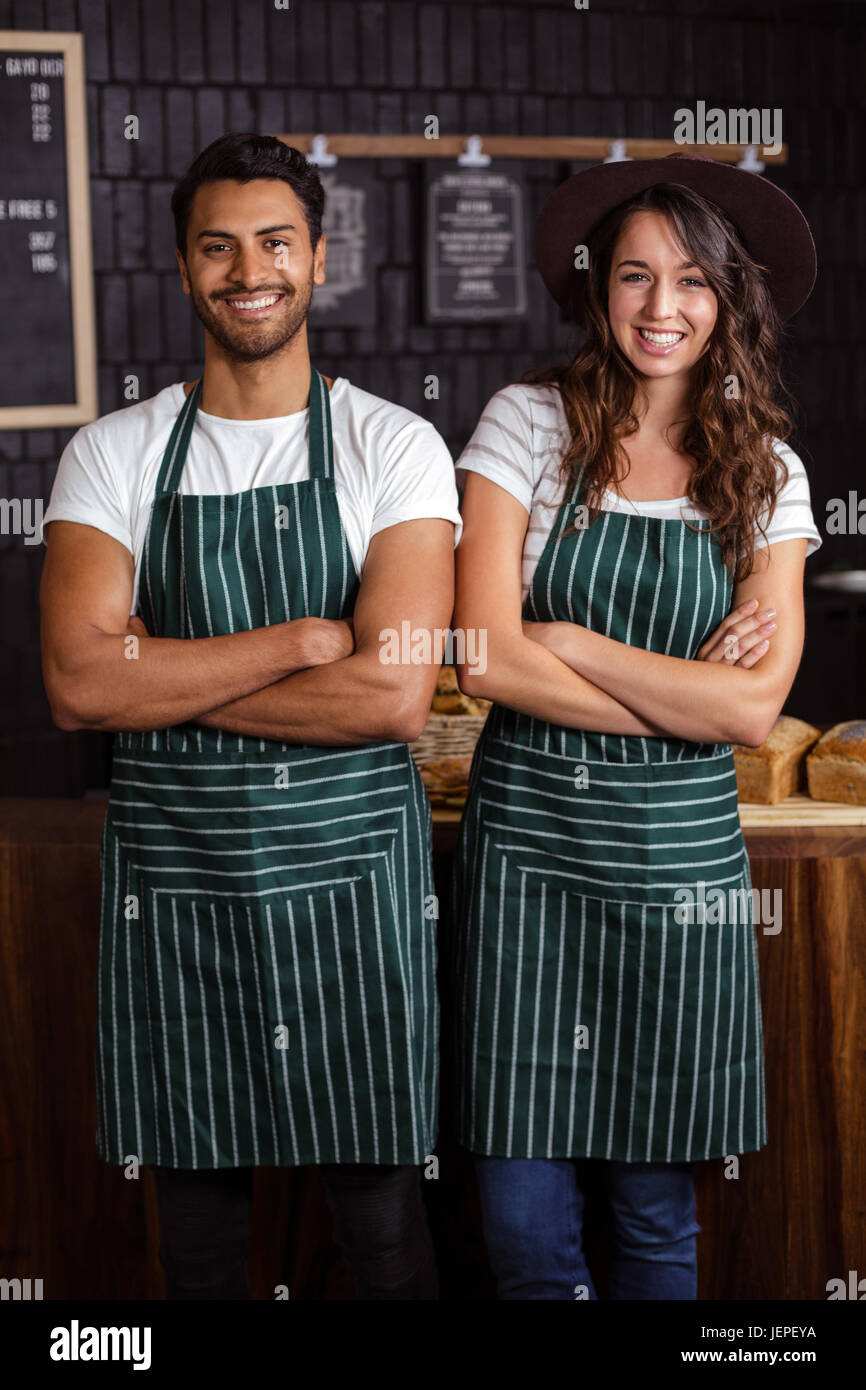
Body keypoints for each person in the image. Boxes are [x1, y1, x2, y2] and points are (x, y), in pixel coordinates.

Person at [39, 132, 462, 1300]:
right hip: (178, 899)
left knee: (382, 1232)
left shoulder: (395, 445)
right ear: (182, 269)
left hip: (352, 905)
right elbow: (79, 684)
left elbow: (391, 693)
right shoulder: (110, 453)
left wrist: (164, 682)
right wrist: (298, 641)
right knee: (202, 1240)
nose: (247, 271)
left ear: (316, 258)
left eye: (274, 242)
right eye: (216, 248)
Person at [450, 153, 822, 1300]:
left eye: (691, 281)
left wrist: (565, 643)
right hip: (528, 869)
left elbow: (752, 709)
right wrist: (671, 693)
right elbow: (479, 657)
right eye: (632, 276)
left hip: (676, 876)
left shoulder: (766, 475)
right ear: (594, 289)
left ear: (729, 298)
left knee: (657, 1216)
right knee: (519, 1226)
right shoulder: (524, 423)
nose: (662, 308)